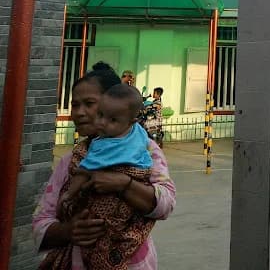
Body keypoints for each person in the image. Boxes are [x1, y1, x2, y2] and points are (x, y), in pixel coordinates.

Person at [33, 65, 175, 270]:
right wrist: (68, 231)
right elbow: (41, 220)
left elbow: (166, 204)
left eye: (90, 104)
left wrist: (124, 184)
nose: (79, 113)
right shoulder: (71, 161)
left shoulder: (144, 151)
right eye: (75, 105)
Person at [51, 83, 155, 269]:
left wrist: (69, 194)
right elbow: (44, 217)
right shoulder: (139, 135)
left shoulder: (103, 146)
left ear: (131, 120)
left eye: (90, 104)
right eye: (100, 115)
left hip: (120, 233)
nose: (102, 123)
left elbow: (84, 172)